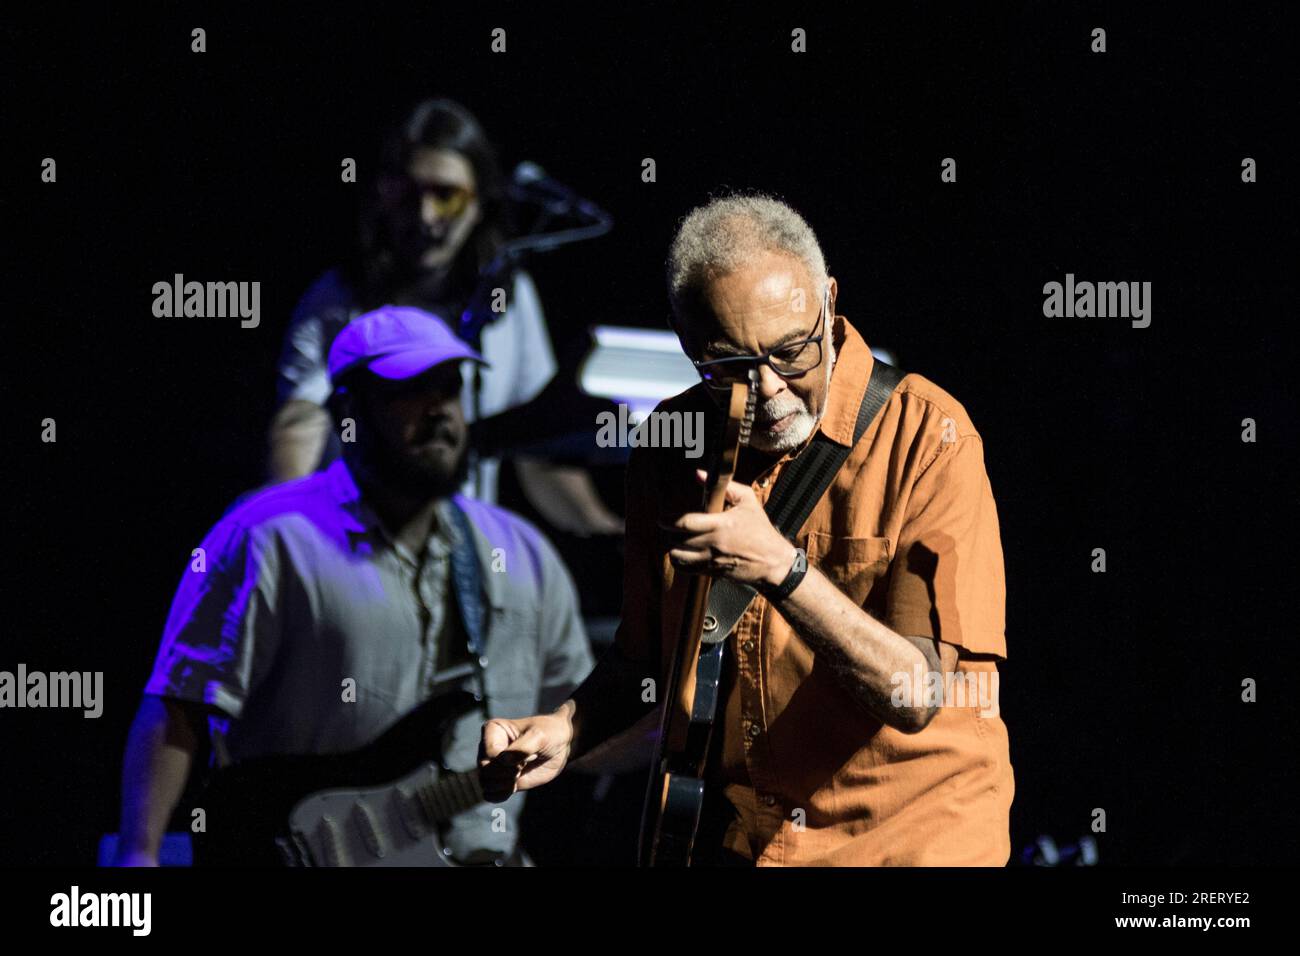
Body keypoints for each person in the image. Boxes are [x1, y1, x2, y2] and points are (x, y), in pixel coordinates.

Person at [478, 193, 1015, 866]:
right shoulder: (671, 447)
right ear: (685, 341)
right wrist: (565, 728)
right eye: (727, 366)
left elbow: (920, 695)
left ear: (829, 301)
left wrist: (783, 571)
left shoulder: (929, 437)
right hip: (755, 844)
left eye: (791, 353)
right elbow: (644, 661)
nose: (767, 390)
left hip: (909, 842)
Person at [114, 306, 594, 866]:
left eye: (450, 387)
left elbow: (586, 718)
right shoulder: (269, 536)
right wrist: (137, 856)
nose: (439, 409)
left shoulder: (523, 553)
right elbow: (180, 704)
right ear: (349, 409)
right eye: (410, 390)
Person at [269, 97, 622, 536]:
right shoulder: (338, 298)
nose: (425, 216)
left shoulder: (508, 300)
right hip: (360, 546)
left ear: (480, 202)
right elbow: (301, 422)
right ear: (382, 194)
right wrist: (289, 531)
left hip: (464, 554)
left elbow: (534, 451)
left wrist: (606, 529)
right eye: (406, 194)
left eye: (447, 196)